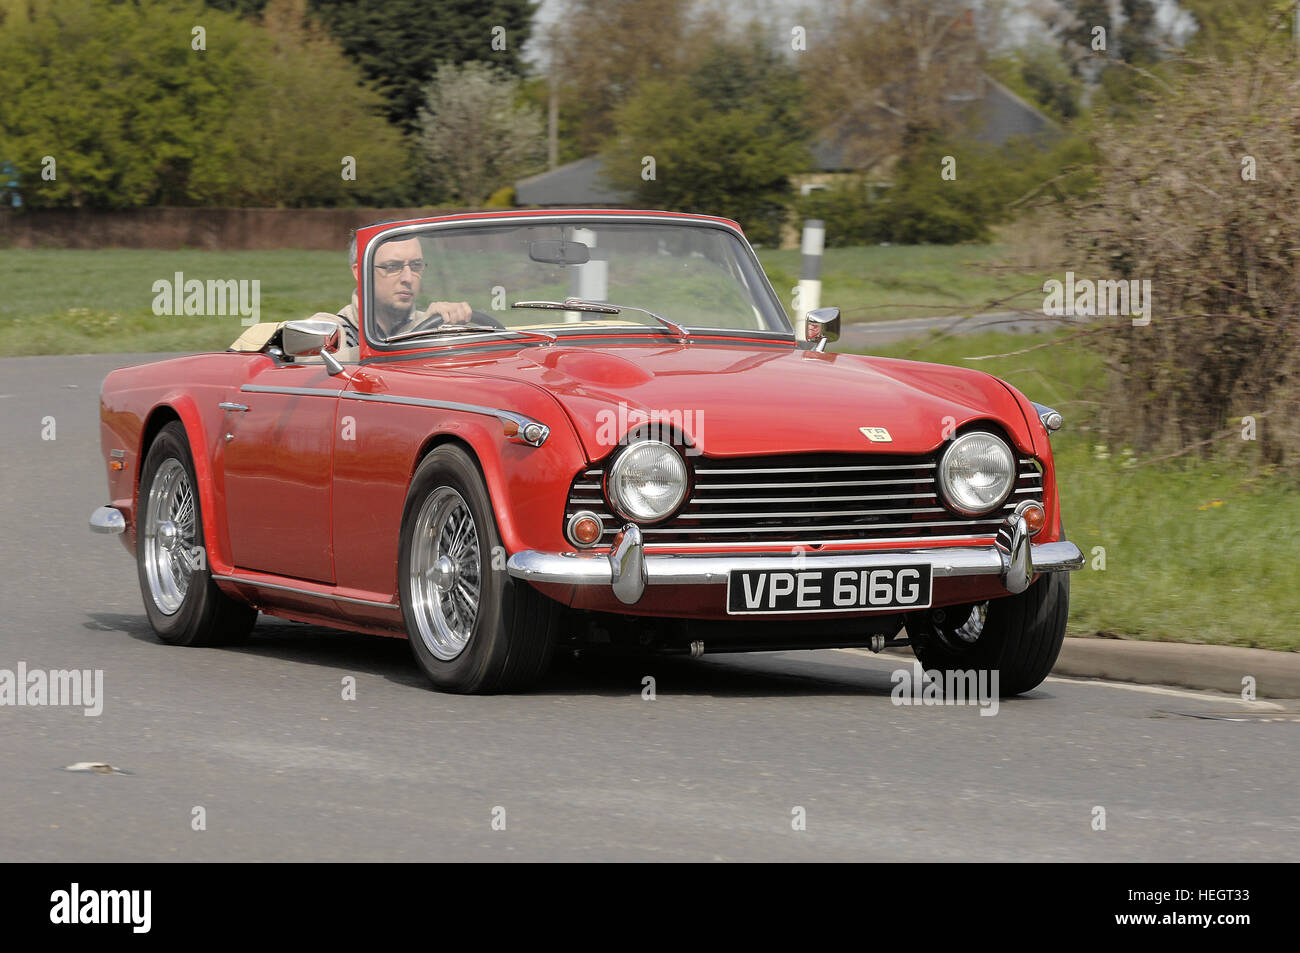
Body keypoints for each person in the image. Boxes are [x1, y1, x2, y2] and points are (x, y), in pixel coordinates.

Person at [334, 232, 472, 346]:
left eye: (416, 265)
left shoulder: (435, 323)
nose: (408, 278)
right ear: (361, 273)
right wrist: (422, 334)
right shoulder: (333, 332)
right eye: (393, 266)